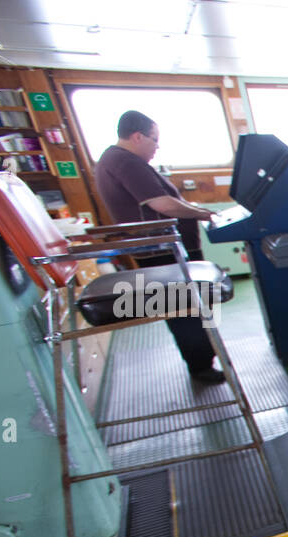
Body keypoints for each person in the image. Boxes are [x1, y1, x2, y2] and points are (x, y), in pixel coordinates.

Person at [93, 110, 224, 383]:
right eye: (154, 140)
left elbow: (164, 200)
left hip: (161, 249)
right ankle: (201, 365)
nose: (157, 146)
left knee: (184, 308)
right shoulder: (126, 162)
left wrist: (197, 210)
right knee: (184, 309)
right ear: (137, 136)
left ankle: (201, 361)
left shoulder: (113, 159)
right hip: (162, 252)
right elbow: (162, 204)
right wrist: (203, 214)